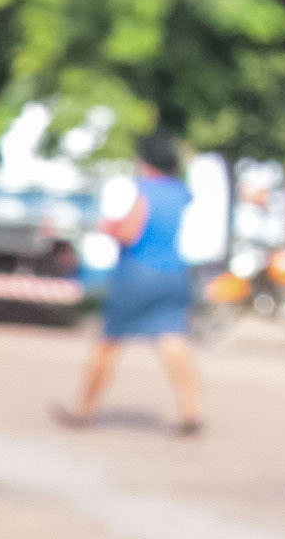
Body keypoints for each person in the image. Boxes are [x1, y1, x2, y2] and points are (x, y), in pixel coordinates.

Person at [64, 129, 205, 436]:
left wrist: (108, 228)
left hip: (138, 274)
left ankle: (85, 407)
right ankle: (191, 408)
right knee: (172, 338)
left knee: (109, 341)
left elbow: (131, 232)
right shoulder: (181, 192)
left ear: (146, 161)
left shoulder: (144, 190)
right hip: (175, 274)